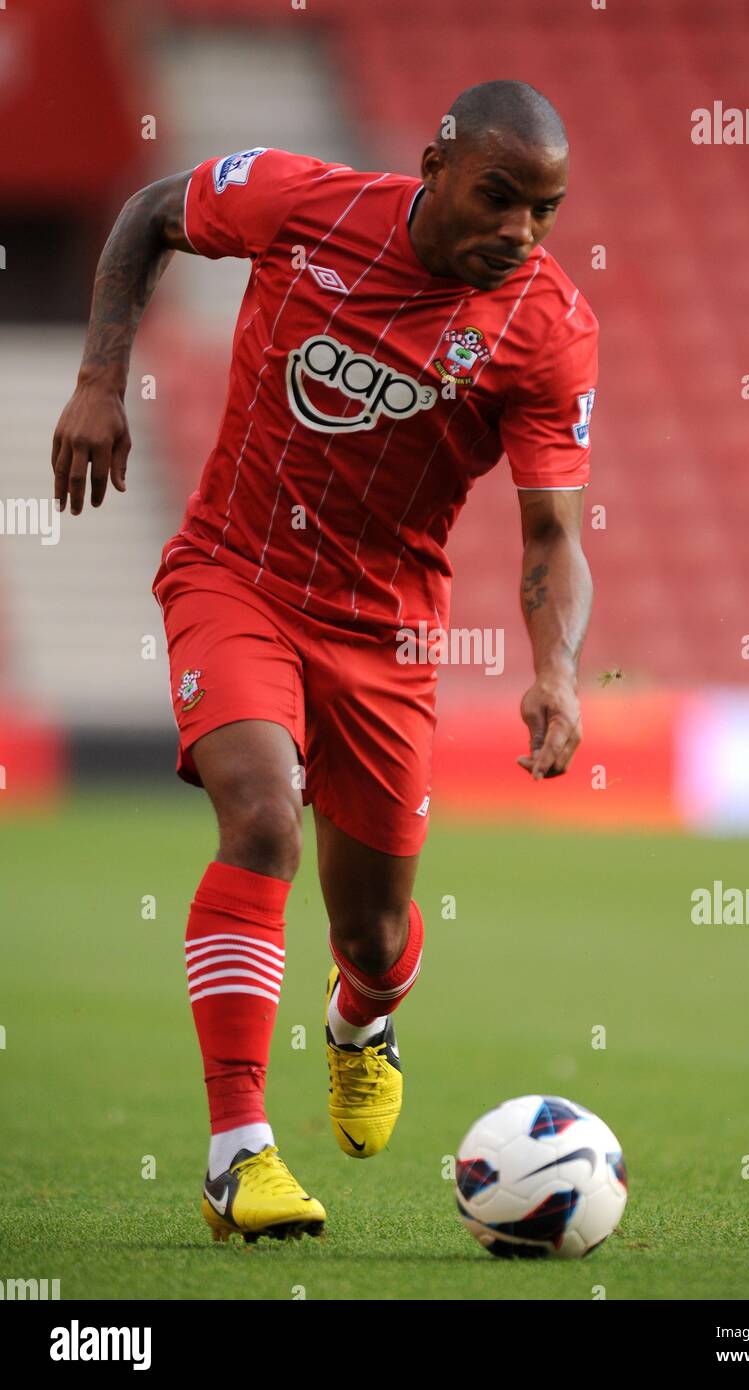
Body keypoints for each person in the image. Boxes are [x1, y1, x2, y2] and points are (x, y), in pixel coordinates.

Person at [50, 79, 597, 1243]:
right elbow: (150, 209)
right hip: (234, 571)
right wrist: (101, 379)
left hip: (387, 634)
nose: (519, 231)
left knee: (374, 935)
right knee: (260, 819)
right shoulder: (302, 205)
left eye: (543, 211)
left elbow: (552, 534)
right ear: (434, 163)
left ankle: (361, 1022)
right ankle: (237, 1154)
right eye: (499, 198)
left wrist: (555, 670)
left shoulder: (545, 326)